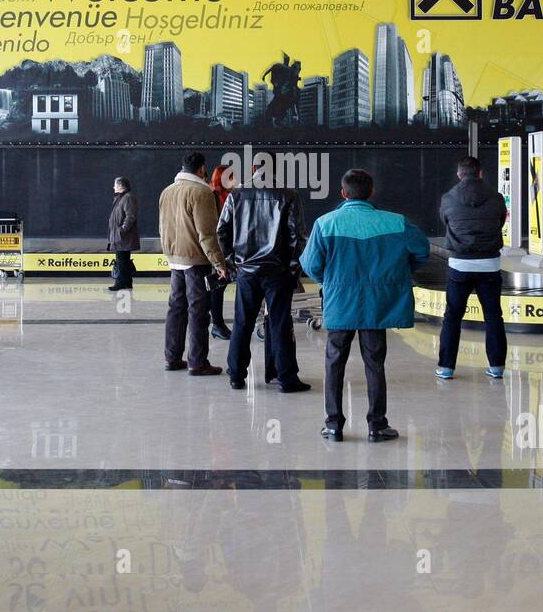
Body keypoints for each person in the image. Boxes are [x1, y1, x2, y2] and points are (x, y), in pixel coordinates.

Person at [300, 169, 430, 443]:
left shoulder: (325, 223)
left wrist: (330, 281)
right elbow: (422, 251)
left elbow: (310, 264)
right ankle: (377, 425)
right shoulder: (397, 222)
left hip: (340, 304)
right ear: (371, 192)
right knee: (375, 364)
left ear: (343, 193)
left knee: (334, 363)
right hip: (377, 305)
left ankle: (333, 426)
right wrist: (397, 273)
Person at [216, 169, 310, 393]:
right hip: (278, 271)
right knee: (280, 323)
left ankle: (236, 375)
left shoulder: (236, 195)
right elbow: (298, 236)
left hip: (246, 271)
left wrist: (233, 263)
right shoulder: (288, 195)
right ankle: (286, 378)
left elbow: (221, 231)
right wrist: (293, 268)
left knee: (242, 322)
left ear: (254, 170)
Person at [435, 156, 508, 381]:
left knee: (452, 316)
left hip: (459, 264)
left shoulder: (448, 199)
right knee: (493, 315)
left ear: (459, 174)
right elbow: (500, 222)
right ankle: (497, 367)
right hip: (489, 264)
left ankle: (446, 368)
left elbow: (446, 221)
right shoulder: (496, 198)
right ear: (480, 173)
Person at [159, 152, 228, 376]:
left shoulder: (167, 191)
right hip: (196, 260)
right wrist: (219, 262)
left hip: (174, 258)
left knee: (176, 307)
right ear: (202, 169)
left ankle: (172, 357)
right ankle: (197, 362)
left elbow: (163, 227)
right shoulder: (202, 192)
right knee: (198, 310)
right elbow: (207, 233)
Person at [208, 165, 233, 339]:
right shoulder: (214, 196)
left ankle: (217, 324)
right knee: (217, 287)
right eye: (232, 177)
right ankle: (217, 324)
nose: (236, 180)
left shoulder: (229, 196)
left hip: (226, 248)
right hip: (218, 249)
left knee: (219, 287)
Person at [107, 176, 139, 292]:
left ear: (121, 186)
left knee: (121, 260)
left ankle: (120, 283)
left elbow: (130, 216)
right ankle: (127, 283)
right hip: (120, 236)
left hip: (123, 236)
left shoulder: (128, 198)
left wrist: (122, 230)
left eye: (115, 185)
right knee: (123, 259)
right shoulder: (120, 198)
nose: (113, 187)